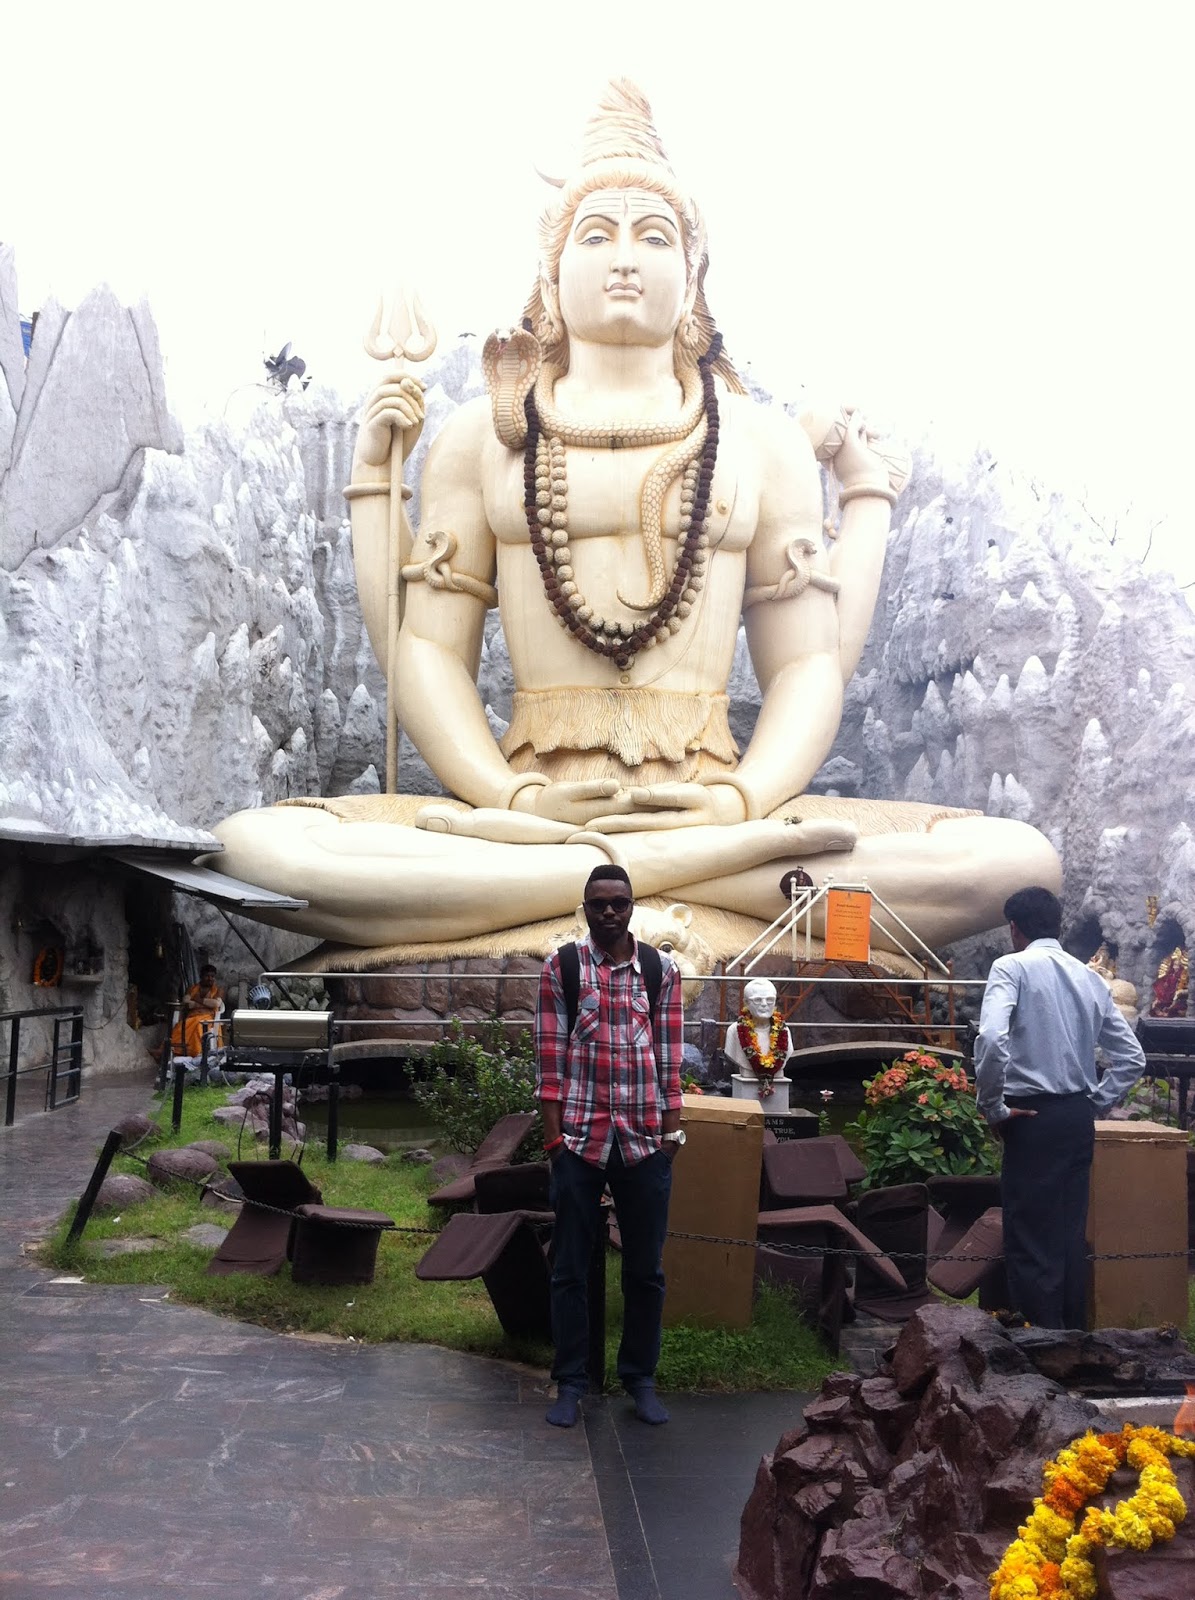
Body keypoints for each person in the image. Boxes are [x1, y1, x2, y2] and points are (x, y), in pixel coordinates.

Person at [213, 80, 1059, 954]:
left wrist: (739, 801)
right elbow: (424, 650)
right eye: (597, 234)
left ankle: (582, 888)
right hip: (535, 808)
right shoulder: (478, 437)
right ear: (551, 273)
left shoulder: (759, 442)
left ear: (691, 278)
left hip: (709, 802)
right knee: (258, 848)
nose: (624, 258)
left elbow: (808, 665)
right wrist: (508, 799)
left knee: (1011, 861)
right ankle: (654, 880)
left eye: (653, 237)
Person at [535, 864, 683, 1428]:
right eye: (598, 904)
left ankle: (640, 1378)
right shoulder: (564, 969)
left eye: (619, 902)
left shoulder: (658, 970)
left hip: (645, 1142)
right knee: (569, 1269)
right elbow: (550, 1066)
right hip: (579, 1140)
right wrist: (554, 1144)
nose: (609, 912)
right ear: (585, 908)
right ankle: (571, 1382)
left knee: (645, 1271)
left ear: (632, 905)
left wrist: (671, 1139)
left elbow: (670, 1062)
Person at [973, 886, 1145, 1329]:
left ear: (1015, 928)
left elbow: (992, 1039)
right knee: (1068, 1233)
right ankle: (1071, 1339)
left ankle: (1039, 1351)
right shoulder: (1089, 977)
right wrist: (1096, 1102)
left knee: (1030, 1235)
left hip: (1029, 1115)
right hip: (1075, 1117)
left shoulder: (1011, 966)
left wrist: (992, 1106)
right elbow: (1131, 1058)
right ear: (1057, 925)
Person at [170, 963, 225, 1059]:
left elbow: (216, 1004)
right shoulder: (192, 989)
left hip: (208, 1019)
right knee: (180, 1027)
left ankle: (195, 1054)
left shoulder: (218, 990)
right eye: (207, 976)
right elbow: (186, 1001)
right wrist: (204, 1003)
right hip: (192, 1017)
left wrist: (197, 1001)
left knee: (199, 1026)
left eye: (212, 976)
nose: (210, 978)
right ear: (201, 976)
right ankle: (171, 1050)